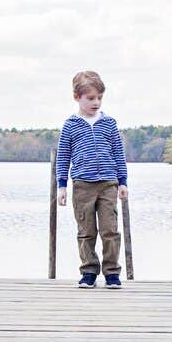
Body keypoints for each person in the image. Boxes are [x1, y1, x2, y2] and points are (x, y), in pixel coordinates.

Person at [55, 70, 128, 288]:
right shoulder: (70, 125)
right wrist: (61, 186)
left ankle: (112, 273)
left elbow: (118, 153)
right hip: (82, 185)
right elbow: (63, 157)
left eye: (99, 98)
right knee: (86, 232)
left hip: (108, 184)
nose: (96, 102)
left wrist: (123, 182)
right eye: (90, 98)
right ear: (77, 97)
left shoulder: (109, 123)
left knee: (110, 230)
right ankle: (88, 271)